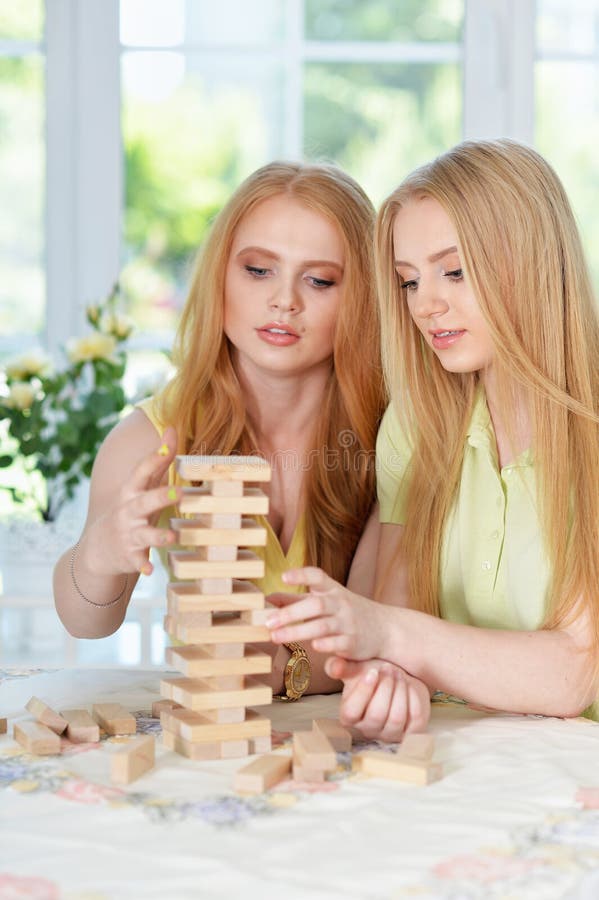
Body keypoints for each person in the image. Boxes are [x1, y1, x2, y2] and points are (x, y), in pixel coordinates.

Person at [53, 160, 429, 732]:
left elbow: (380, 635)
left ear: (364, 299)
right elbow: (87, 623)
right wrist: (102, 551)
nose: (284, 301)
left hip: (344, 733)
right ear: (220, 277)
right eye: (258, 270)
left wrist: (281, 670)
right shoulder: (149, 439)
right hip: (209, 728)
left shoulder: (392, 437)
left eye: (320, 280)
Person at [267, 139, 599, 725]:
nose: (426, 305)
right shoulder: (416, 424)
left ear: (537, 261)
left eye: (454, 271)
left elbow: (574, 673)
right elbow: (394, 613)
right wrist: (387, 678)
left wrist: (388, 636)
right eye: (409, 281)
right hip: (464, 762)